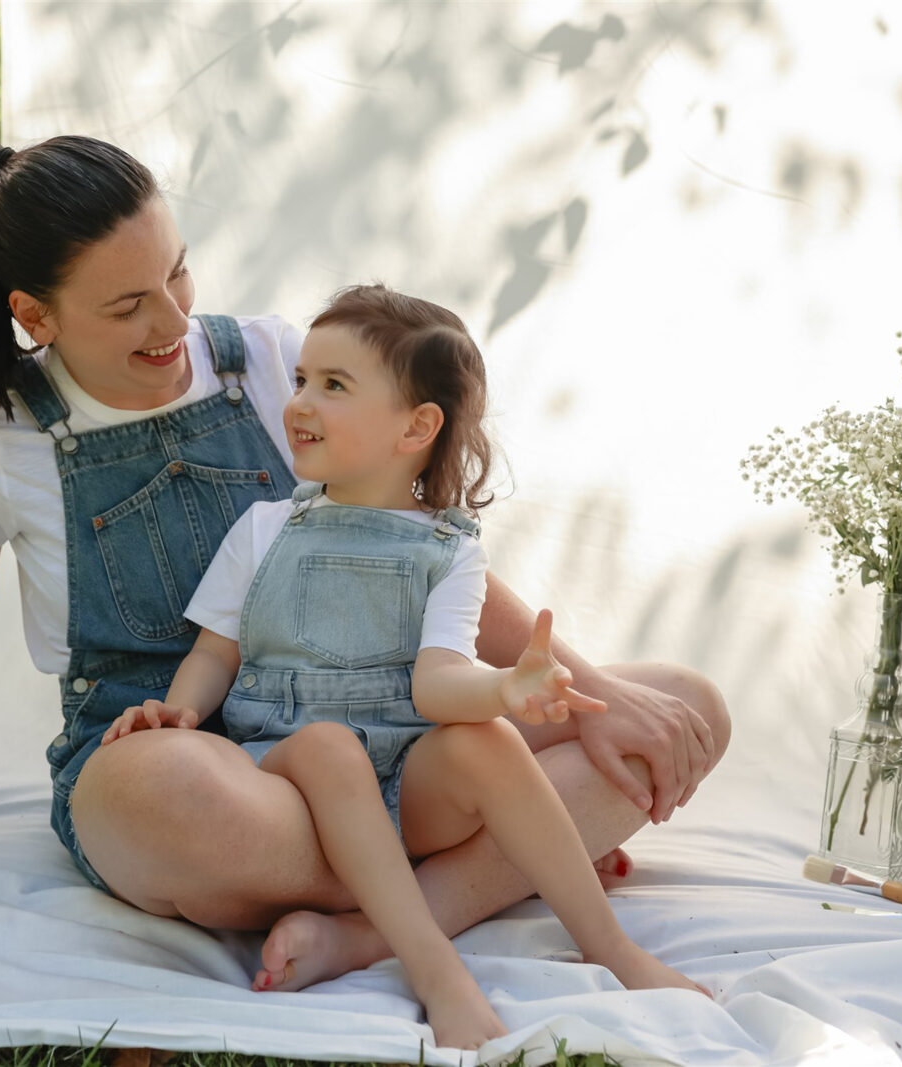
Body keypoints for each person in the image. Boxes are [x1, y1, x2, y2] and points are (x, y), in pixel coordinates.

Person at [0, 135, 732, 999]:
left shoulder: (272, 362)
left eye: (177, 272)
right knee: (169, 798)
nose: (173, 319)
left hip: (376, 725)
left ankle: (376, 925)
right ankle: (506, 856)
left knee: (683, 707)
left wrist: (602, 691)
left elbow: (417, 551)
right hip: (181, 752)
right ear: (34, 314)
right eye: (128, 306)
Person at [96, 285, 709, 1047]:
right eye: (301, 379)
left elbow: (437, 684)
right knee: (330, 746)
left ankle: (610, 945)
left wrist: (506, 689)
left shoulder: (450, 552)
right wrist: (182, 710)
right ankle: (437, 972)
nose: (299, 401)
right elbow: (216, 650)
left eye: (333, 384)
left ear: (416, 427)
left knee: (488, 741)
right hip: (286, 767)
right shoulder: (265, 527)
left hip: (405, 775)